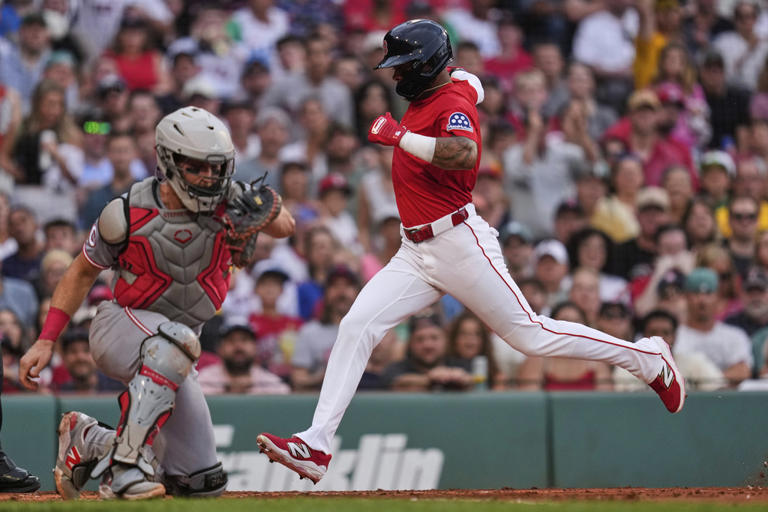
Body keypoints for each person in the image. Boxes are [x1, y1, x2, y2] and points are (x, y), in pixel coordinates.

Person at [257, 19, 686, 485]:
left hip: (458, 242)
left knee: (531, 336)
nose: (396, 77)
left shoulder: (454, 98)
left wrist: (400, 137)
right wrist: (459, 87)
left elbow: (464, 154)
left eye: (403, 68)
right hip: (414, 249)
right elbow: (463, 86)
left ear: (427, 66)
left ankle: (648, 358)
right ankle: (316, 444)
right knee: (356, 325)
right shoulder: (449, 88)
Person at [19, 106, 295, 500]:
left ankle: (90, 440)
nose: (209, 176)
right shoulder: (127, 212)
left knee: (199, 482)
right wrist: (47, 339)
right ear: (169, 160)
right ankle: (125, 471)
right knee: (176, 342)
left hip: (179, 350)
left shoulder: (229, 198)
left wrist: (258, 203)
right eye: (198, 166)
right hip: (120, 327)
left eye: (217, 167)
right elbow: (81, 271)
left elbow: (285, 226)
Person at [197, 323, 290, 395]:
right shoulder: (203, 379)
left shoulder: (271, 383)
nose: (238, 346)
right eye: (231, 341)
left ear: (255, 347)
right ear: (219, 348)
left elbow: (285, 396)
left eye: (244, 340)